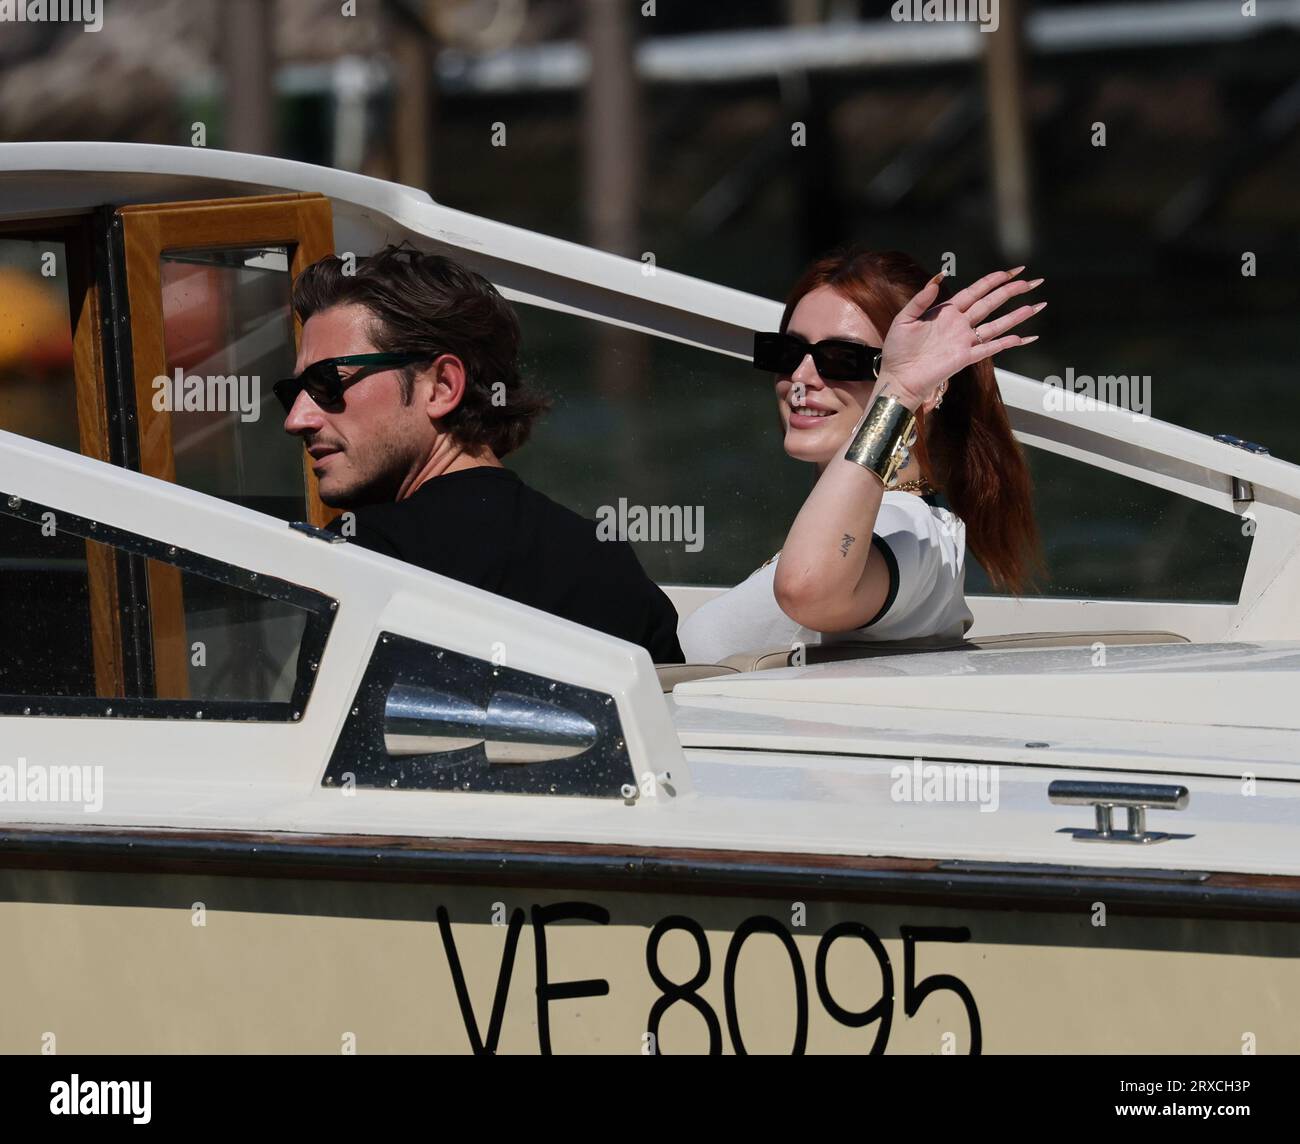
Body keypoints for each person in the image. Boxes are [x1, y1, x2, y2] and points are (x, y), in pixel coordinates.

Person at [278, 245, 684, 664]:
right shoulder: (608, 560)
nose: (296, 419)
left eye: (328, 382)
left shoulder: (361, 559)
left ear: (441, 387)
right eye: (293, 393)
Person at [679, 247, 1042, 663]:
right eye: (787, 352)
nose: (800, 378)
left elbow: (807, 587)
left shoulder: (907, 530)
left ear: (929, 386)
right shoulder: (882, 523)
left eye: (843, 359)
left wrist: (900, 392)